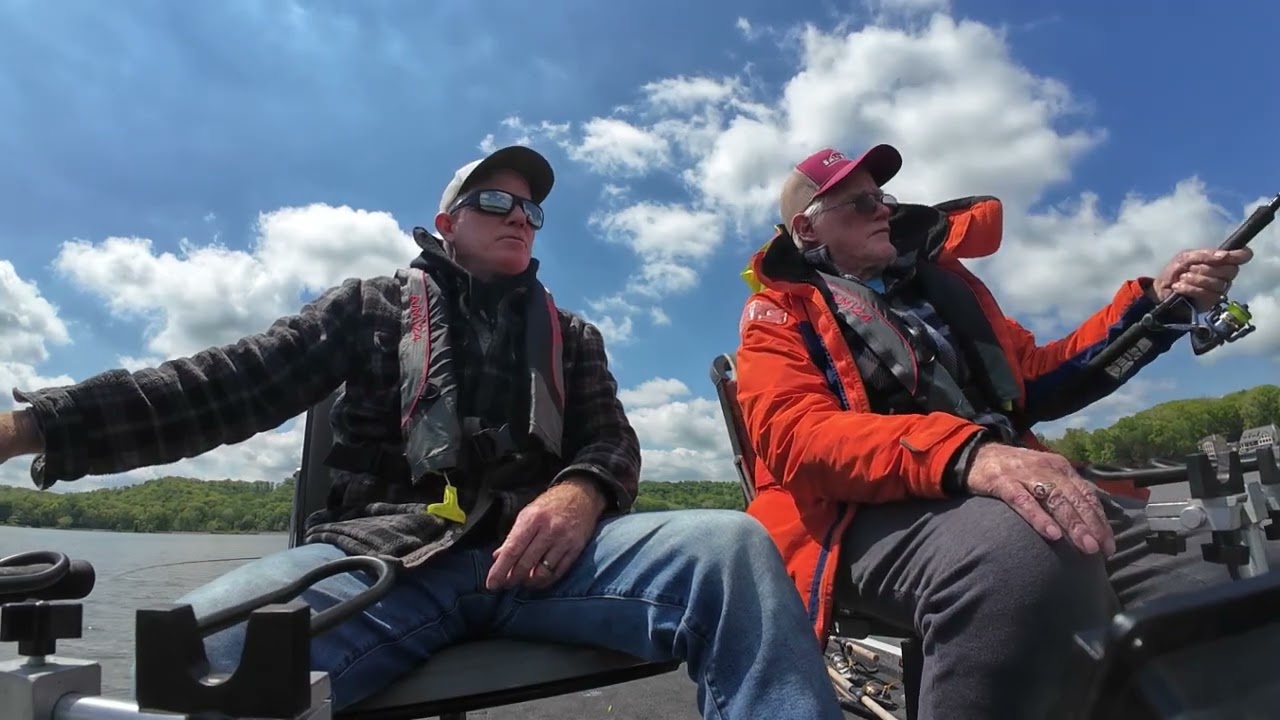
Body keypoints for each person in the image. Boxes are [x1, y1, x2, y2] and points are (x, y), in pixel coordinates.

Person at [0, 145, 846, 719]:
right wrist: (31, 425)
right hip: (381, 561)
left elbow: (613, 446)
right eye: (493, 201)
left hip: (547, 566)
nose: (518, 215)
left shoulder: (574, 336)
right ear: (446, 223)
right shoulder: (365, 308)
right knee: (194, 654)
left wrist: (581, 492)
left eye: (530, 209)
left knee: (731, 549)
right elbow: (225, 384)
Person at [733, 143, 1272, 719]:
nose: (884, 209)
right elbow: (796, 438)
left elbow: (1041, 378)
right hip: (858, 514)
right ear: (807, 230)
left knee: (1203, 555)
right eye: (860, 202)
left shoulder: (945, 288)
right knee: (1022, 558)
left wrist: (1158, 304)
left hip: (1014, 482)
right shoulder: (776, 318)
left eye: (883, 197)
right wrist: (972, 455)